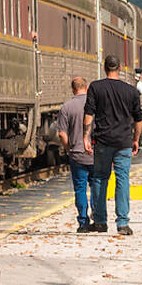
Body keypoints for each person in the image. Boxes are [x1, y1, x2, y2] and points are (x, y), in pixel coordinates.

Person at [85, 55, 142, 238]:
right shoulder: (131, 91)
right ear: (120, 67)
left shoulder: (96, 87)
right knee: (122, 180)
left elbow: (88, 114)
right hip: (123, 142)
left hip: (103, 141)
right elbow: (139, 119)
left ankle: (100, 222)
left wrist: (85, 136)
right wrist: (136, 139)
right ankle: (123, 223)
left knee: (100, 179)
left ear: (105, 68)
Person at [57, 76, 96, 233]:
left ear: (73, 89)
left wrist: (68, 149)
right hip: (94, 153)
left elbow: (61, 133)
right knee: (96, 186)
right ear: (86, 88)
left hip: (77, 154)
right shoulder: (96, 105)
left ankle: (83, 222)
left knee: (80, 188)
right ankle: (97, 217)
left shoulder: (66, 107)